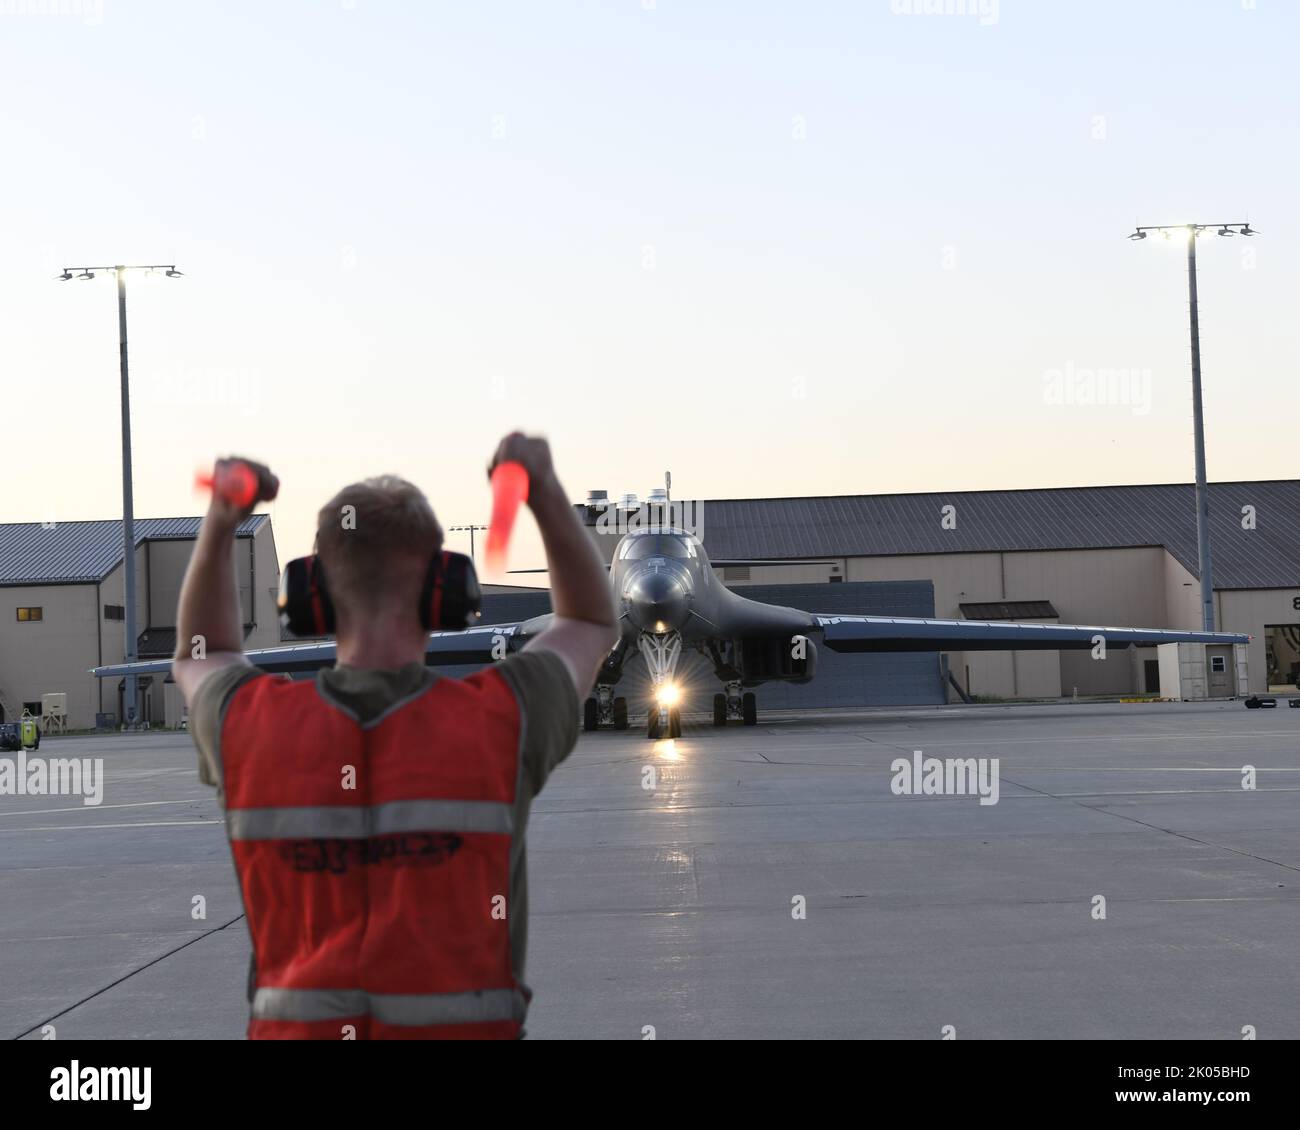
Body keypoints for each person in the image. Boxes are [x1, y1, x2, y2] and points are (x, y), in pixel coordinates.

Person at [173, 433, 618, 1039]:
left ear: (311, 596)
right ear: (447, 589)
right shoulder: (503, 719)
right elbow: (591, 622)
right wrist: (540, 488)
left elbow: (207, 651)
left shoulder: (248, 725)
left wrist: (223, 519)